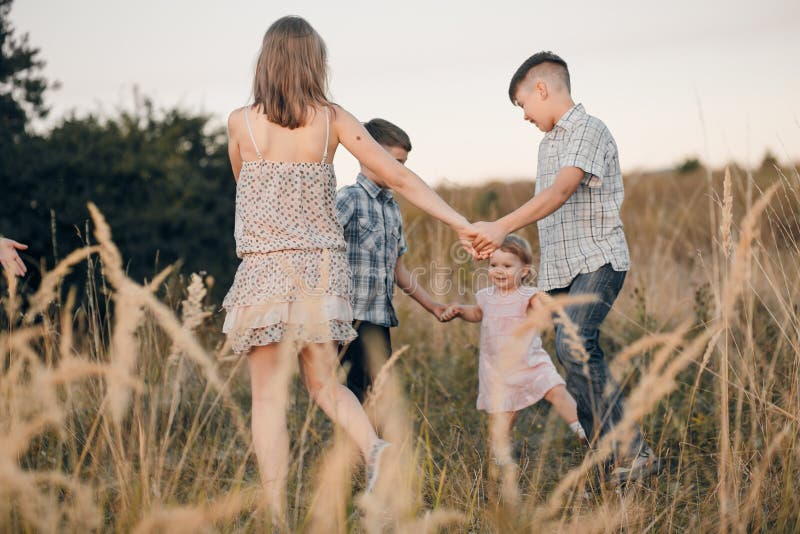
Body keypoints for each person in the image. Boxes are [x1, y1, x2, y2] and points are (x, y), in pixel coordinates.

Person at [220, 16, 491, 519]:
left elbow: (246, 191)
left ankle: (278, 517)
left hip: (265, 272)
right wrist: (459, 221)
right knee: (325, 385)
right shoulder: (333, 119)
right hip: (322, 273)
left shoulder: (241, 123)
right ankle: (376, 451)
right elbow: (400, 178)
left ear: (267, 60)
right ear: (314, 62)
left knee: (267, 401)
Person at [472, 51, 661, 484]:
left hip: (597, 259)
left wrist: (501, 226)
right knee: (566, 352)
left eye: (523, 105)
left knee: (575, 344)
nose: (524, 116)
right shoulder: (547, 144)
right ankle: (607, 454)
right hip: (561, 270)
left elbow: (559, 192)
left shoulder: (589, 130)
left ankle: (633, 452)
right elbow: (550, 212)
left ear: (542, 89)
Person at [440, 235, 586, 467]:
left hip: (530, 361)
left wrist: (543, 310)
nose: (499, 271)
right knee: (505, 414)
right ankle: (500, 455)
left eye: (507, 266)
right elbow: (477, 314)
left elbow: (544, 316)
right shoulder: (486, 297)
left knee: (555, 389)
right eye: (494, 265)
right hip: (498, 368)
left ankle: (581, 428)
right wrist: (459, 311)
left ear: (525, 271)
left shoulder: (528, 296)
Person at [335, 118, 454, 402]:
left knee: (378, 393)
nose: (400, 170)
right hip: (347, 318)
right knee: (351, 393)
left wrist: (433, 305)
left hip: (378, 319)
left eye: (404, 163)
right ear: (369, 155)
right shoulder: (349, 199)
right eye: (395, 161)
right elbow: (319, 251)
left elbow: (398, 268)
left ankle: (371, 445)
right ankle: (360, 445)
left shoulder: (393, 209)